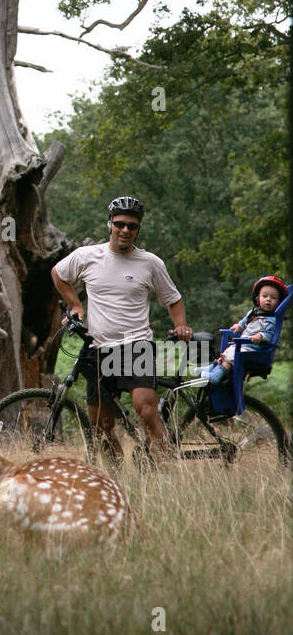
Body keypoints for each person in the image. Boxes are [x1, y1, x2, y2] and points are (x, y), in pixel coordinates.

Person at [51, 195, 192, 461]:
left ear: (138, 229)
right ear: (110, 224)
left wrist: (181, 325)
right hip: (97, 347)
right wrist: (75, 305)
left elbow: (172, 299)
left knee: (147, 412)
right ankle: (117, 484)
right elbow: (58, 274)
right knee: (101, 427)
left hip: (135, 346)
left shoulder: (150, 263)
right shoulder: (87, 256)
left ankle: (165, 478)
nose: (125, 230)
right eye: (120, 224)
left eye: (132, 225)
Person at [199, 275, 287, 384]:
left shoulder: (271, 320)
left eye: (273, 298)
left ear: (278, 303)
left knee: (232, 352)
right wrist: (239, 326)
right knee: (228, 350)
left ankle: (217, 375)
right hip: (245, 345)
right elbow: (244, 322)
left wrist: (260, 336)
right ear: (257, 299)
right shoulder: (253, 313)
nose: (268, 299)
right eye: (265, 296)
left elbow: (269, 334)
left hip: (255, 348)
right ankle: (213, 367)